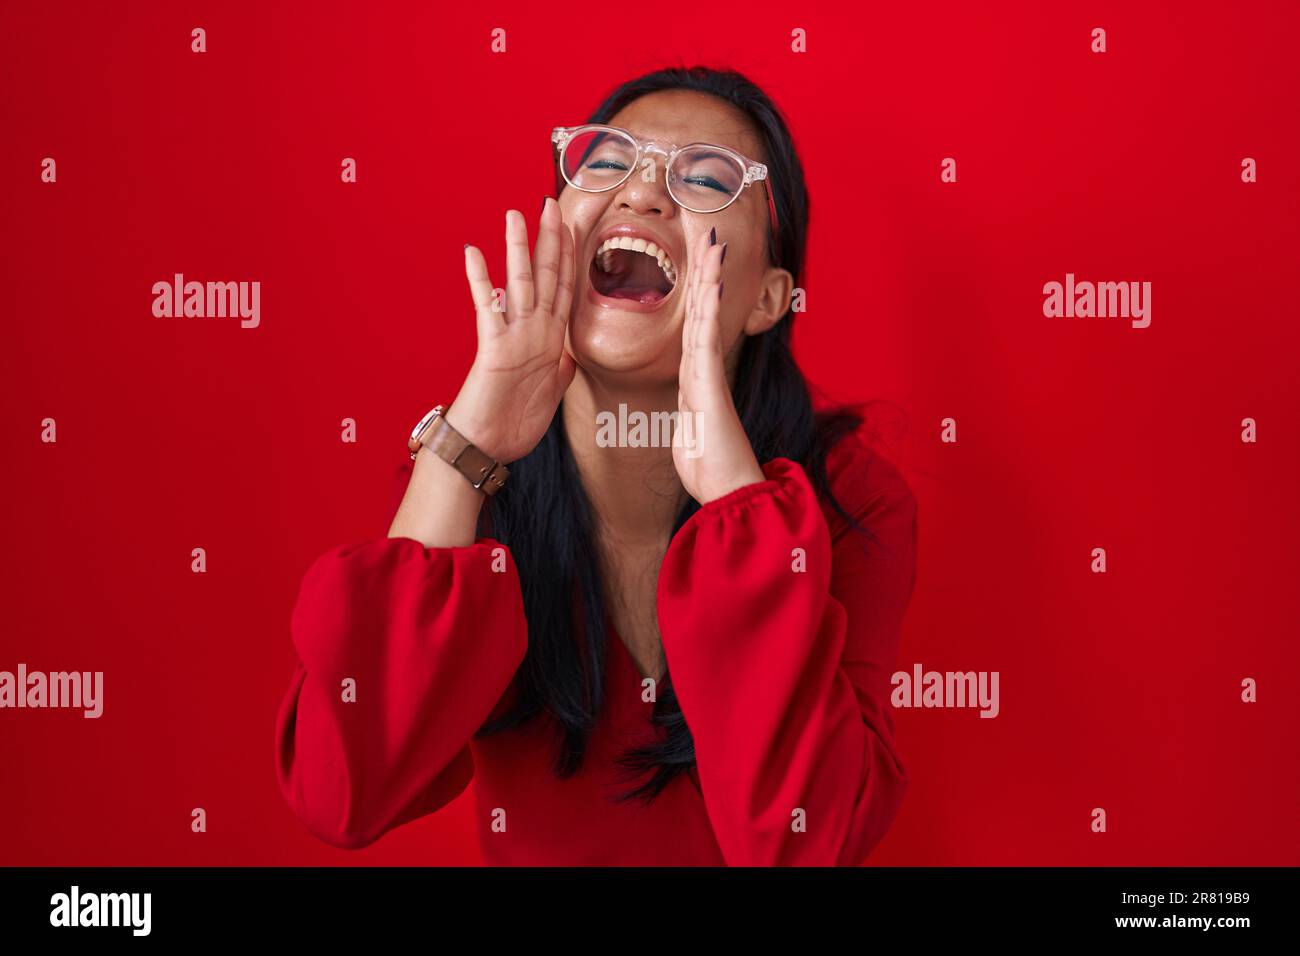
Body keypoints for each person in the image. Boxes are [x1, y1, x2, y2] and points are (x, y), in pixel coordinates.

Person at [274, 65, 919, 865]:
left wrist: (735, 503)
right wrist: (460, 451)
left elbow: (810, 839)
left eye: (708, 179)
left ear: (768, 297)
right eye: (607, 162)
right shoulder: (474, 492)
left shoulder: (847, 497)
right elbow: (342, 793)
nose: (643, 195)